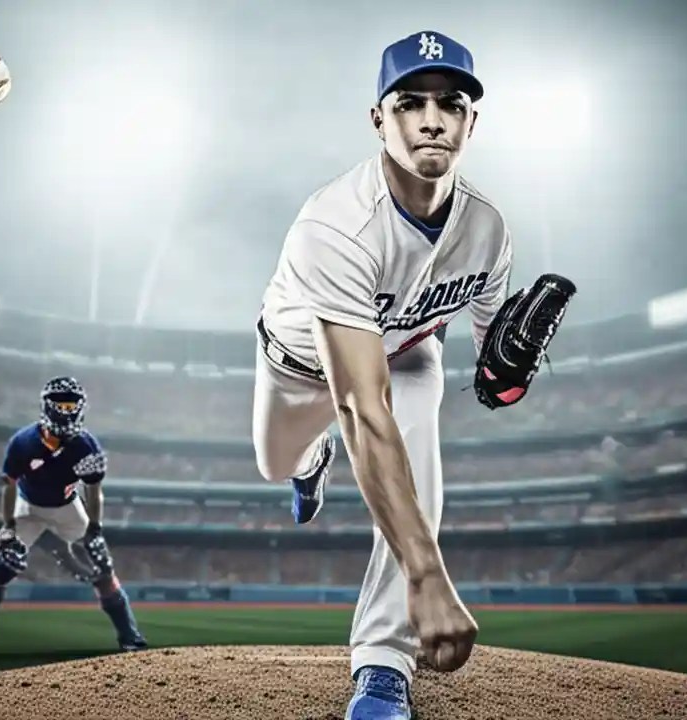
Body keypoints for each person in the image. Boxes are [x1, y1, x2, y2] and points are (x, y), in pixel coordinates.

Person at [253, 30, 543, 720]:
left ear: (473, 121)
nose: (432, 118)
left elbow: (492, 363)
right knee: (276, 462)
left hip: (406, 352)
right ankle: (308, 461)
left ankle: (383, 664)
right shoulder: (336, 226)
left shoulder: (489, 229)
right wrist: (429, 575)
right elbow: (358, 407)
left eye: (452, 103)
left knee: (416, 431)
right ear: (379, 119)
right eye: (410, 102)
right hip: (298, 367)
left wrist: (506, 378)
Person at [0, 376, 147, 654]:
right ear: (48, 406)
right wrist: (8, 526)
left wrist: (95, 528)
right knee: (2, 565)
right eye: (61, 405)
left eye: (72, 405)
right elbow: (9, 485)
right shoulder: (22, 442)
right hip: (28, 509)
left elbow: (93, 491)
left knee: (102, 566)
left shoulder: (86, 445)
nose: (67, 411)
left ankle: (130, 635)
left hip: (68, 508)